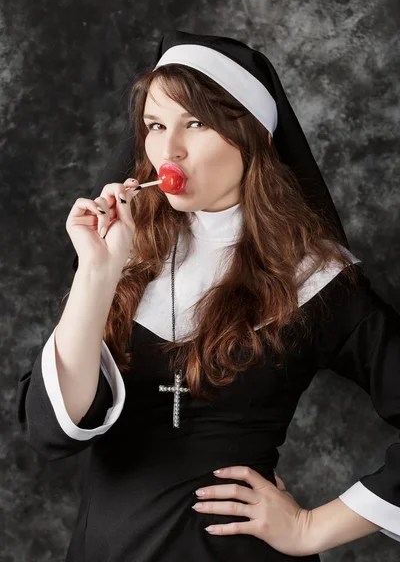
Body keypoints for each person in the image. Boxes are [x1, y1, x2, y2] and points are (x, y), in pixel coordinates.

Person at [16, 30, 400, 561]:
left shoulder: (319, 278)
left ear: (254, 136)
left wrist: (312, 527)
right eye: (155, 125)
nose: (167, 149)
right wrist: (96, 275)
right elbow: (52, 431)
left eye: (195, 123)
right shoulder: (124, 254)